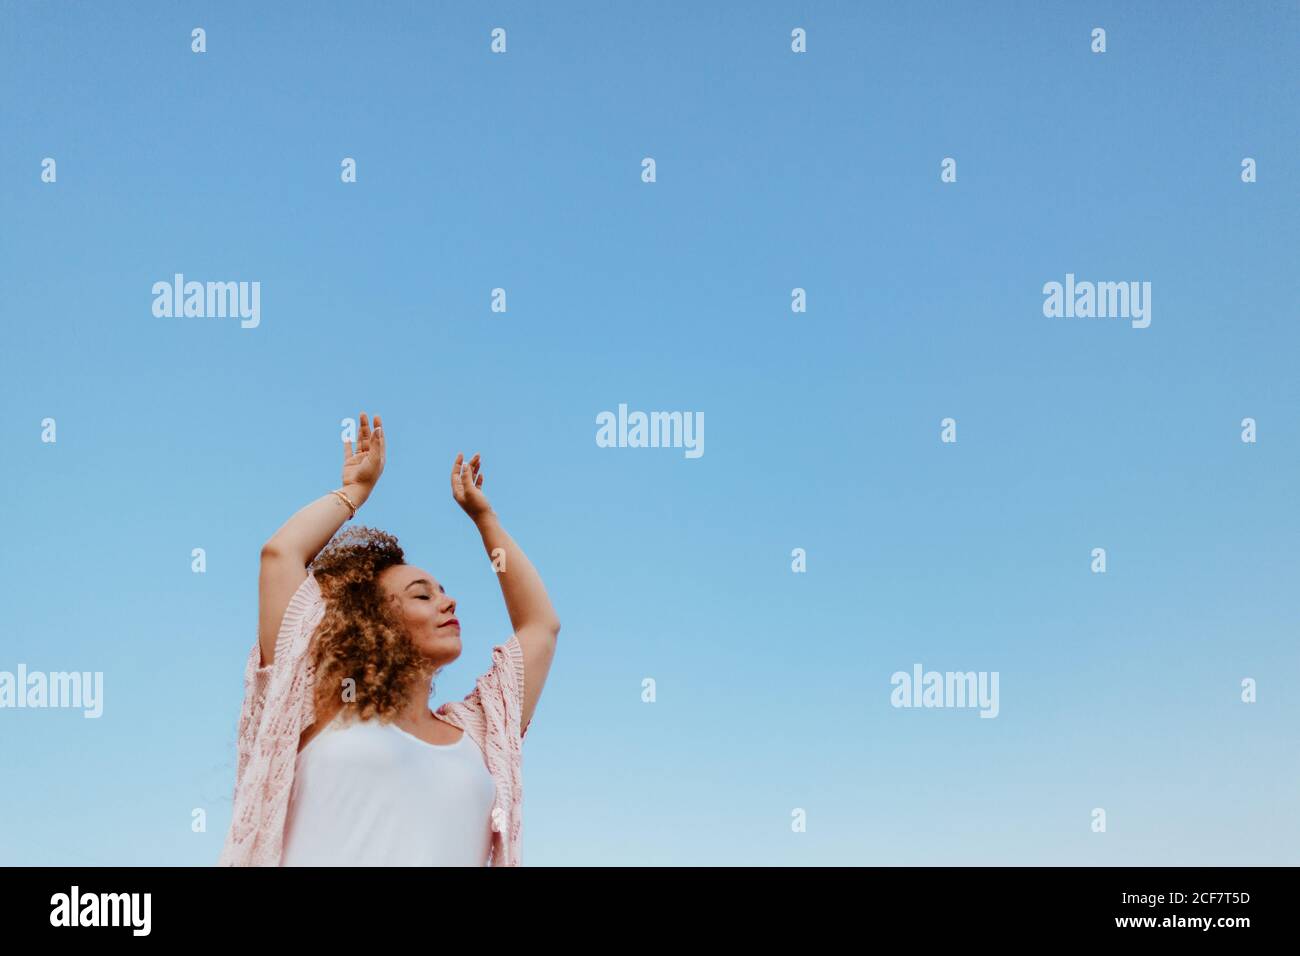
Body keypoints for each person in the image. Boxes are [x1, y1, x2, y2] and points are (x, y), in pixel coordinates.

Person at [218, 412, 559, 866]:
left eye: (443, 591)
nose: (449, 602)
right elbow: (281, 555)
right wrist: (355, 493)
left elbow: (539, 627)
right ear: (373, 617)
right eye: (422, 594)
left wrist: (485, 519)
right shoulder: (320, 703)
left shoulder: (481, 734)